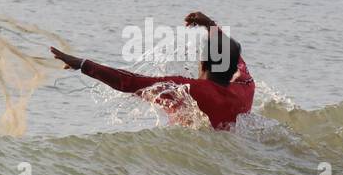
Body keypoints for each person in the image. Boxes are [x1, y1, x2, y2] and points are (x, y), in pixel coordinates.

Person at [50, 12, 254, 130]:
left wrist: (83, 64)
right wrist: (210, 25)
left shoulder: (191, 89)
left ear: (204, 63)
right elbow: (231, 54)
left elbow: (130, 82)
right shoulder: (245, 84)